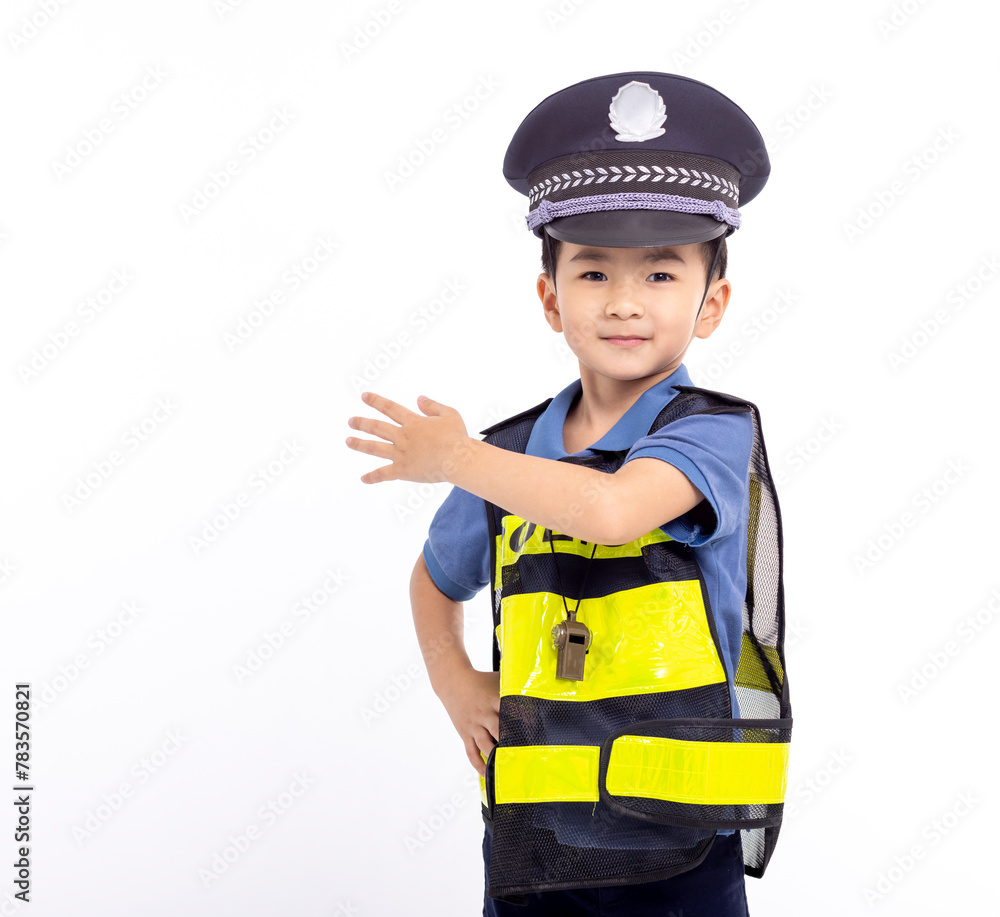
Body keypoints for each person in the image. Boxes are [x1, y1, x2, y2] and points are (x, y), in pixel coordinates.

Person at [345, 72, 791, 916]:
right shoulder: (508, 457)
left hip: (680, 848)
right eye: (592, 272)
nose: (623, 302)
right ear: (551, 299)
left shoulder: (710, 435)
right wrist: (454, 680)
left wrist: (457, 457)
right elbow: (434, 578)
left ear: (713, 304)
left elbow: (612, 511)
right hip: (536, 845)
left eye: (661, 274)